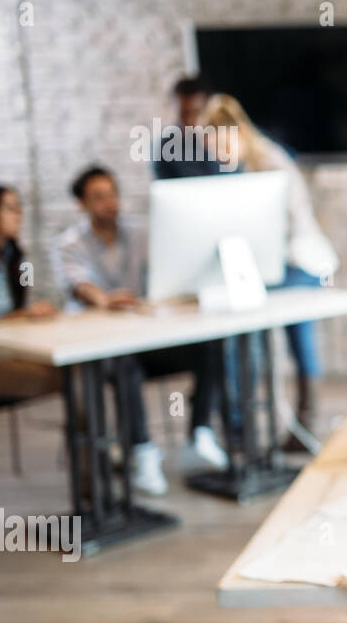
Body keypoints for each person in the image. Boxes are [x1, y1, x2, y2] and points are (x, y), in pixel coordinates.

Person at [52, 165, 227, 494]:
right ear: (82, 204)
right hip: (100, 349)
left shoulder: (142, 233)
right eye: (99, 197)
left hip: (145, 340)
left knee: (210, 346)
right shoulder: (69, 244)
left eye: (113, 194)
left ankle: (200, 432)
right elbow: (79, 285)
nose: (110, 203)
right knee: (124, 365)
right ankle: (142, 450)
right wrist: (104, 299)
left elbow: (169, 270)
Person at [197, 93, 339, 449]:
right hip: (266, 270)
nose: (219, 155)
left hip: (299, 262)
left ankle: (302, 428)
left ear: (238, 132)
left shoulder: (272, 163)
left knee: (291, 337)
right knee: (244, 335)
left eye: (222, 145)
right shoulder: (237, 169)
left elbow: (286, 227)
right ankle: (242, 429)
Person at [0, 185, 60, 400]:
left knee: (75, 367)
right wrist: (23, 315)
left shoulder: (15, 257)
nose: (18, 215)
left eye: (19, 207)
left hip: (10, 353)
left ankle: (90, 433)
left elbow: (24, 304)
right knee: (67, 375)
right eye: (9, 208)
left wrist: (32, 311)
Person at [152, 76, 222, 179]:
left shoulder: (223, 139)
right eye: (184, 114)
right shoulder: (165, 147)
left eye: (196, 113)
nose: (190, 121)